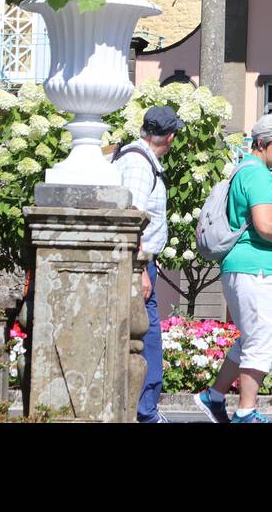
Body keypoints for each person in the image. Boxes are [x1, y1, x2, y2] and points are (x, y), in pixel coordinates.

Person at [194, 113, 272, 423]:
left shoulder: (244, 172)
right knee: (262, 340)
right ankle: (245, 411)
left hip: (249, 267)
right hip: (260, 269)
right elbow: (265, 226)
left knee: (251, 338)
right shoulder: (257, 175)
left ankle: (214, 396)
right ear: (263, 144)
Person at [114, 105, 184, 424]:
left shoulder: (138, 158)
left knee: (146, 334)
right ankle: (145, 410)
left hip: (141, 262)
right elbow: (133, 217)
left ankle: (145, 408)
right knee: (149, 336)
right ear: (168, 137)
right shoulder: (140, 164)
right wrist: (141, 269)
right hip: (138, 264)